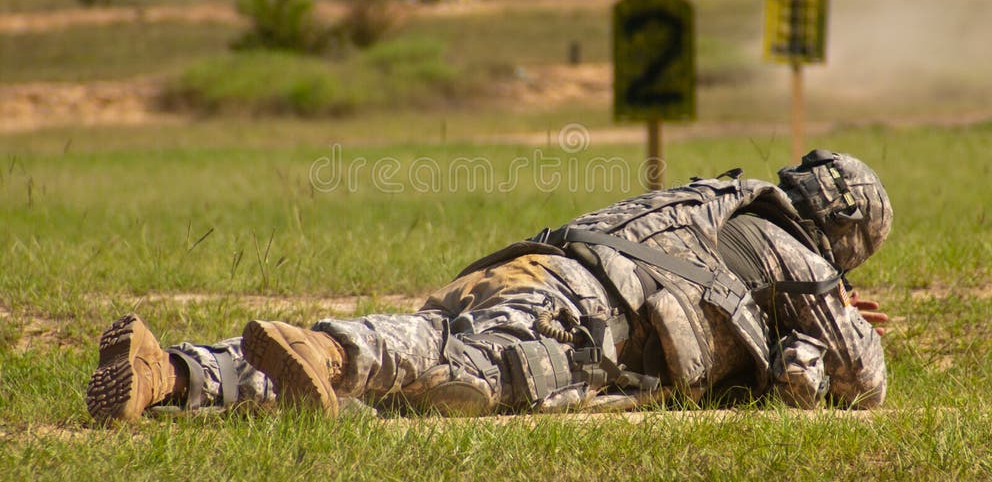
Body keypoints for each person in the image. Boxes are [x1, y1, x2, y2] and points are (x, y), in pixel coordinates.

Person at [86, 149, 892, 422]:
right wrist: (843, 313)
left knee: (408, 373)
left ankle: (174, 372)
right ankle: (328, 349)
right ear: (847, 232)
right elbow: (864, 380)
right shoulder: (801, 259)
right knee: (457, 369)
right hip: (583, 313)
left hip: (527, 266)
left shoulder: (714, 195)